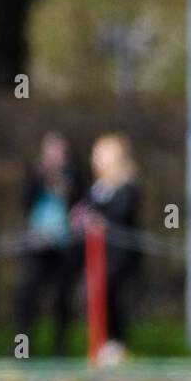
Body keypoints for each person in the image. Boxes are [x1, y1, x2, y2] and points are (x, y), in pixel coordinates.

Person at [73, 134, 141, 363]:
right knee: (95, 295)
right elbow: (82, 211)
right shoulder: (96, 188)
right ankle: (102, 343)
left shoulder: (127, 186)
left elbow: (120, 214)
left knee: (111, 296)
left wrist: (98, 220)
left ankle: (116, 343)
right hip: (96, 255)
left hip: (120, 256)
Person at [15, 131, 84, 355]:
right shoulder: (35, 174)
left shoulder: (75, 176)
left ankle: (61, 348)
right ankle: (23, 347)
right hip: (37, 245)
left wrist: (66, 187)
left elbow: (80, 204)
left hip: (65, 246)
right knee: (28, 294)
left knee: (62, 298)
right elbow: (25, 201)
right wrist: (40, 178)